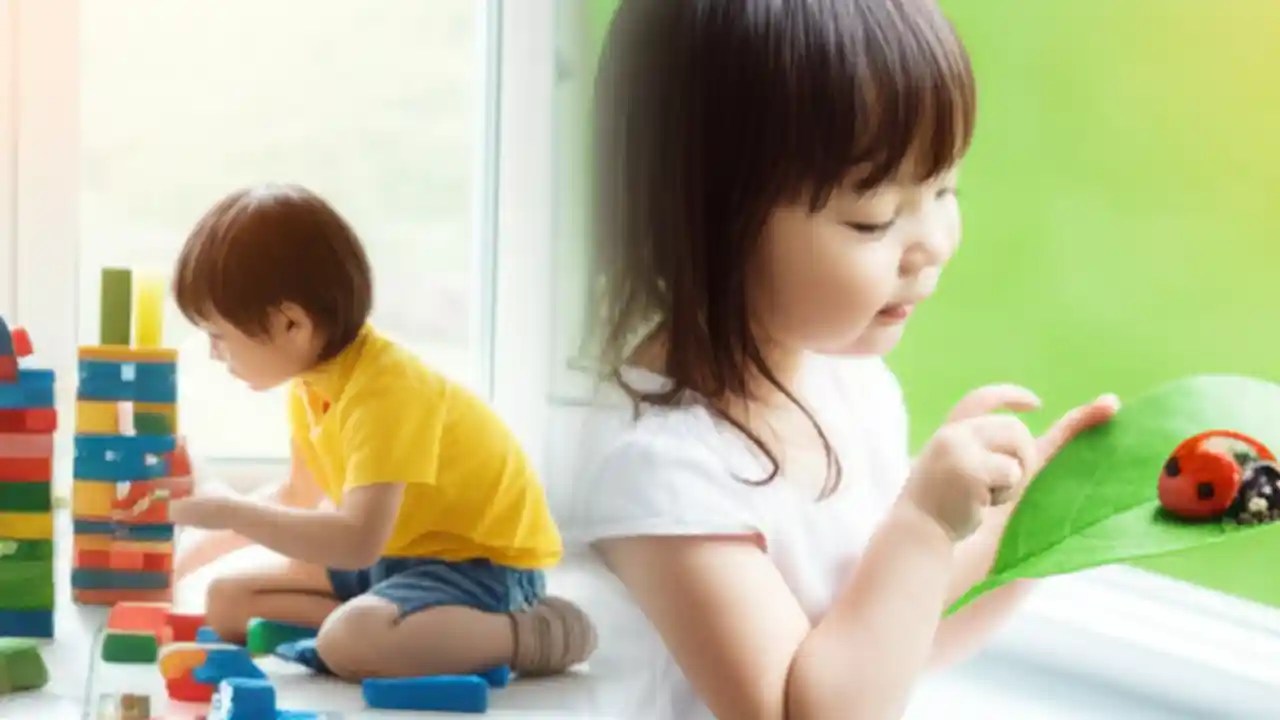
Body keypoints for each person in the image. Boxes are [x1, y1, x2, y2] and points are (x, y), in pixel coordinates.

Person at [569, 1, 1119, 718]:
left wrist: (1030, 528)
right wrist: (922, 522)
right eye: (875, 220)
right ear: (705, 221)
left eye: (945, 188)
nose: (933, 243)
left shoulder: (848, 385)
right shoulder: (661, 475)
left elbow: (893, 648)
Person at [168, 183, 596, 680]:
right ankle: (389, 636)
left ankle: (538, 631)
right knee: (226, 601)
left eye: (219, 334)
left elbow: (355, 541)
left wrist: (229, 510)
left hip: (475, 567)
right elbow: (298, 497)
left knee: (352, 641)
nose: (214, 352)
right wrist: (188, 558)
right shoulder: (312, 385)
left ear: (292, 324)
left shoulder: (384, 391)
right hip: (397, 559)